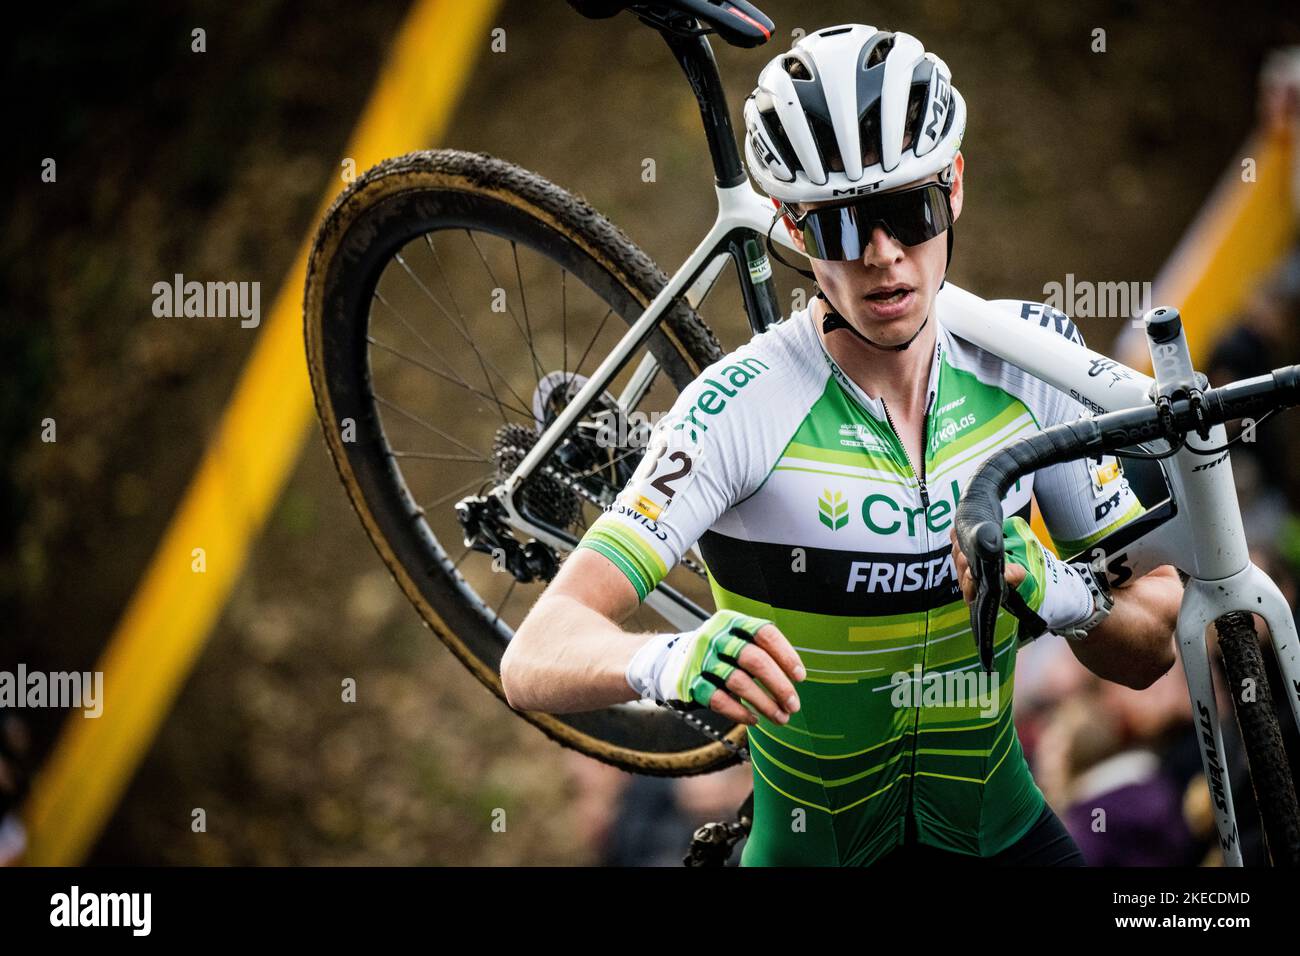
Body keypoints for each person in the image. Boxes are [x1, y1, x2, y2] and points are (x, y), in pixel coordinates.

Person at [501, 24, 1183, 866]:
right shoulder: (737, 407)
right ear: (789, 223)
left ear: (955, 186)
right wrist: (669, 659)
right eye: (839, 227)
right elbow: (534, 653)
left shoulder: (1032, 359)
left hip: (1004, 840)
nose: (881, 255)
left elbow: (1152, 649)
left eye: (908, 210)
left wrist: (1063, 594)